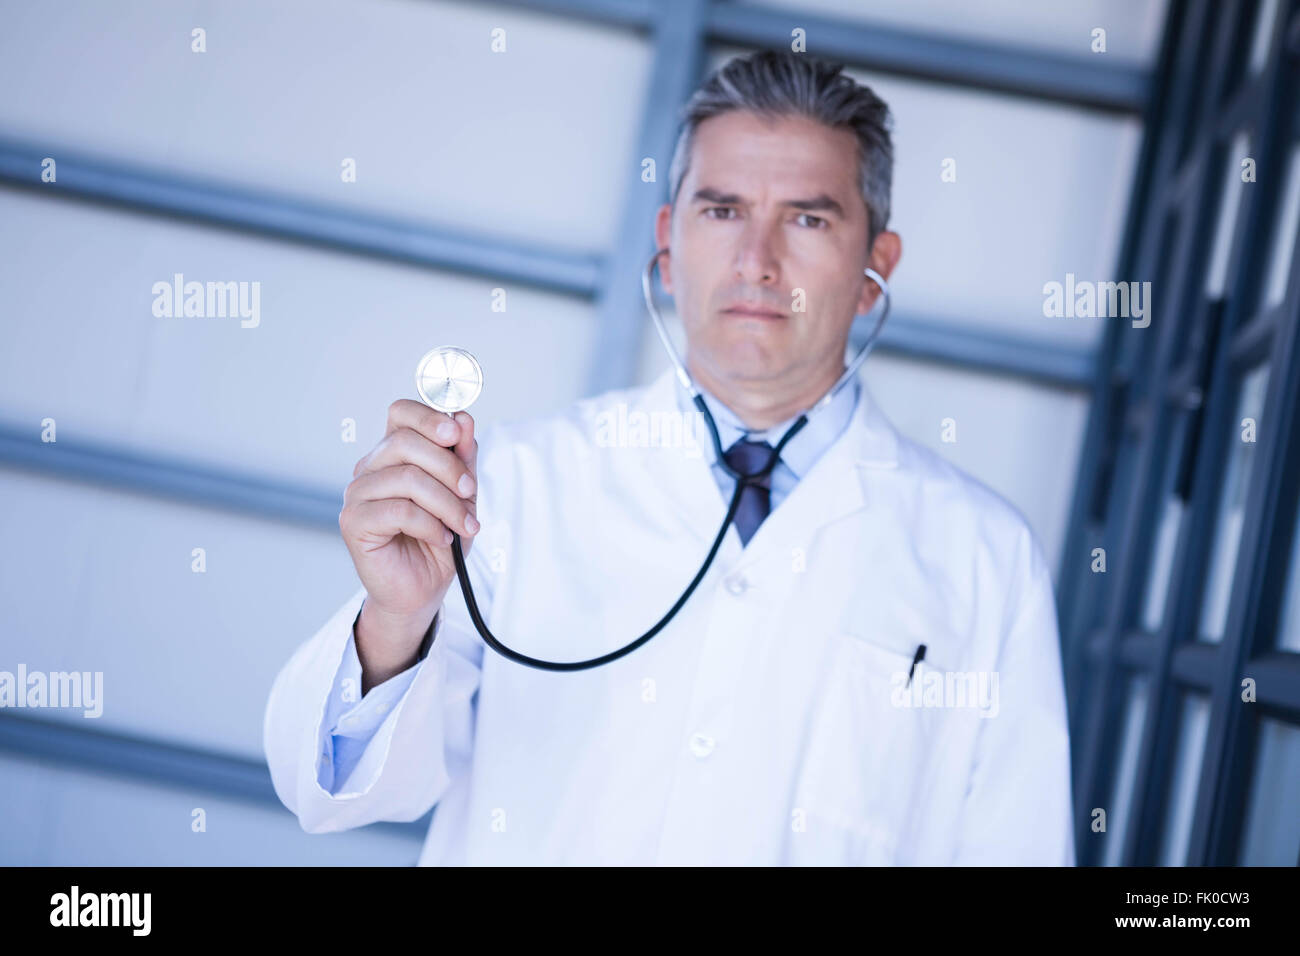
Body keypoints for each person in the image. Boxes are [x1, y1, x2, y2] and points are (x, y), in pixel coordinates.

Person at [264, 50, 1074, 865]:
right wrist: (398, 621)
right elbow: (336, 789)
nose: (756, 260)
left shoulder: (984, 560)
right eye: (722, 211)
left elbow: (1020, 844)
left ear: (875, 271)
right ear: (668, 241)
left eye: (808, 219)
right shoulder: (510, 486)